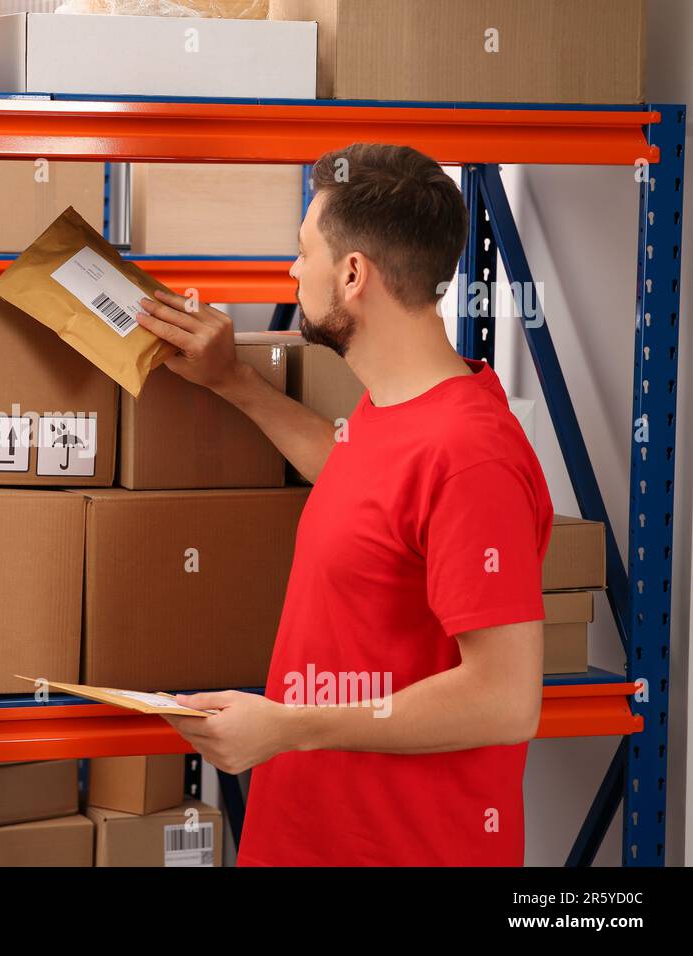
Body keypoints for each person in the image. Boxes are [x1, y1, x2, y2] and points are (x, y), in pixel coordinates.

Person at [135, 143, 553, 866]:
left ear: (353, 274)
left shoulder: (469, 454)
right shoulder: (399, 414)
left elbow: (506, 699)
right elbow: (365, 489)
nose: (292, 271)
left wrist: (290, 726)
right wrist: (232, 380)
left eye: (304, 252)